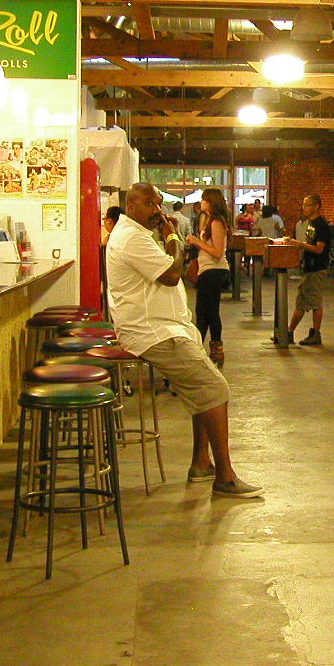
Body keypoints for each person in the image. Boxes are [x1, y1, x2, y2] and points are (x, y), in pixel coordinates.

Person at [106, 182, 261, 498]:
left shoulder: (139, 234)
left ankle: (201, 463)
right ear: (130, 206)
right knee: (215, 389)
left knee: (204, 388)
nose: (157, 210)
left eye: (158, 203)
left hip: (168, 327)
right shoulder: (131, 238)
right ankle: (225, 477)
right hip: (152, 332)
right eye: (149, 204)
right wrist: (174, 238)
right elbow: (171, 274)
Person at [186, 187, 232, 368]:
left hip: (214, 270)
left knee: (210, 311)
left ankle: (216, 350)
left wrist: (197, 241)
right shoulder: (208, 221)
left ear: (211, 202)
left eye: (204, 199)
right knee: (202, 312)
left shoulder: (216, 223)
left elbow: (218, 252)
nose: (201, 202)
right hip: (207, 270)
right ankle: (198, 350)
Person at [285, 194, 330, 346]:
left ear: (316, 206)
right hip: (308, 267)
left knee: (314, 301)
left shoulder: (321, 225)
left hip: (317, 268)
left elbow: (319, 248)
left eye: (307, 205)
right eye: (303, 205)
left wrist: (299, 244)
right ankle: (289, 332)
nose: (304, 208)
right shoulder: (310, 223)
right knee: (301, 301)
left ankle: (315, 333)